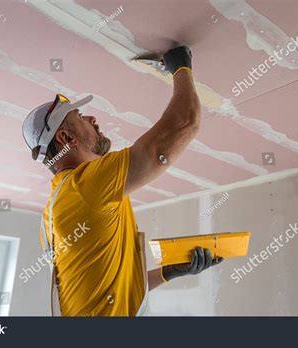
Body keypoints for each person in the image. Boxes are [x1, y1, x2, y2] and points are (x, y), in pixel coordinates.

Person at [22, 46, 223, 316]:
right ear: (67, 139)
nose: (92, 118)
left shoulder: (59, 205)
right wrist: (181, 67)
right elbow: (184, 124)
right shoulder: (83, 188)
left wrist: (167, 273)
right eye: (80, 118)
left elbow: (105, 292)